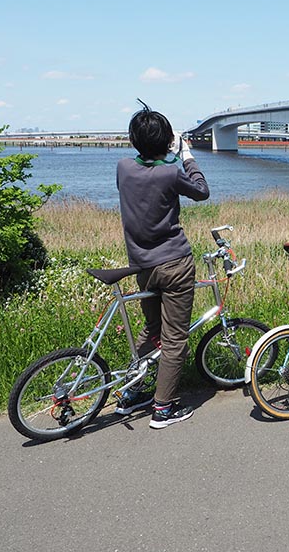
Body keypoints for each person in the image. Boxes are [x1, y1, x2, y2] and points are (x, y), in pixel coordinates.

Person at [113, 102, 210, 429]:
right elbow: (201, 191)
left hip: (142, 265)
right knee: (174, 339)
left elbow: (147, 168)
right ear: (168, 140)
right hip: (175, 264)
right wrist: (185, 154)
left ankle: (131, 392)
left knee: (152, 329)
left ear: (134, 140)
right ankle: (163, 408)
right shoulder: (171, 172)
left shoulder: (123, 168)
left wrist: (165, 150)